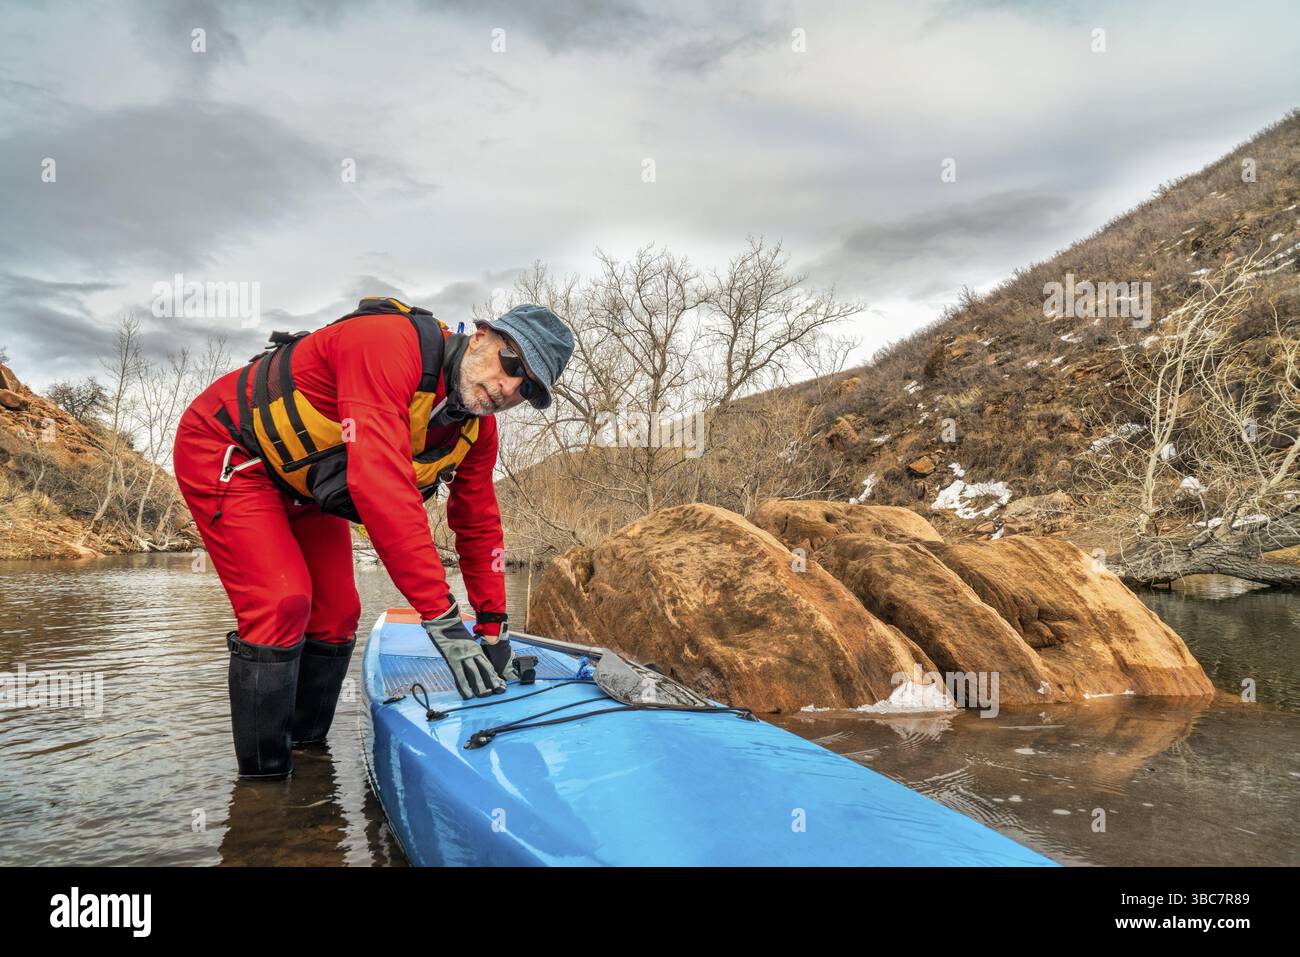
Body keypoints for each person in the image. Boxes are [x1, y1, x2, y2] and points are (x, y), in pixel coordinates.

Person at [172, 296, 574, 779]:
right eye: (512, 363)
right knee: (282, 604)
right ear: (482, 334)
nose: (508, 387)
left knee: (339, 615)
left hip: (305, 489)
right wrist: (444, 623)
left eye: (526, 387)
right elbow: (380, 487)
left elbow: (479, 524)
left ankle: (308, 756)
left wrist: (493, 627)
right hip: (230, 452)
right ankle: (264, 785)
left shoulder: (477, 434)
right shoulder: (387, 345)